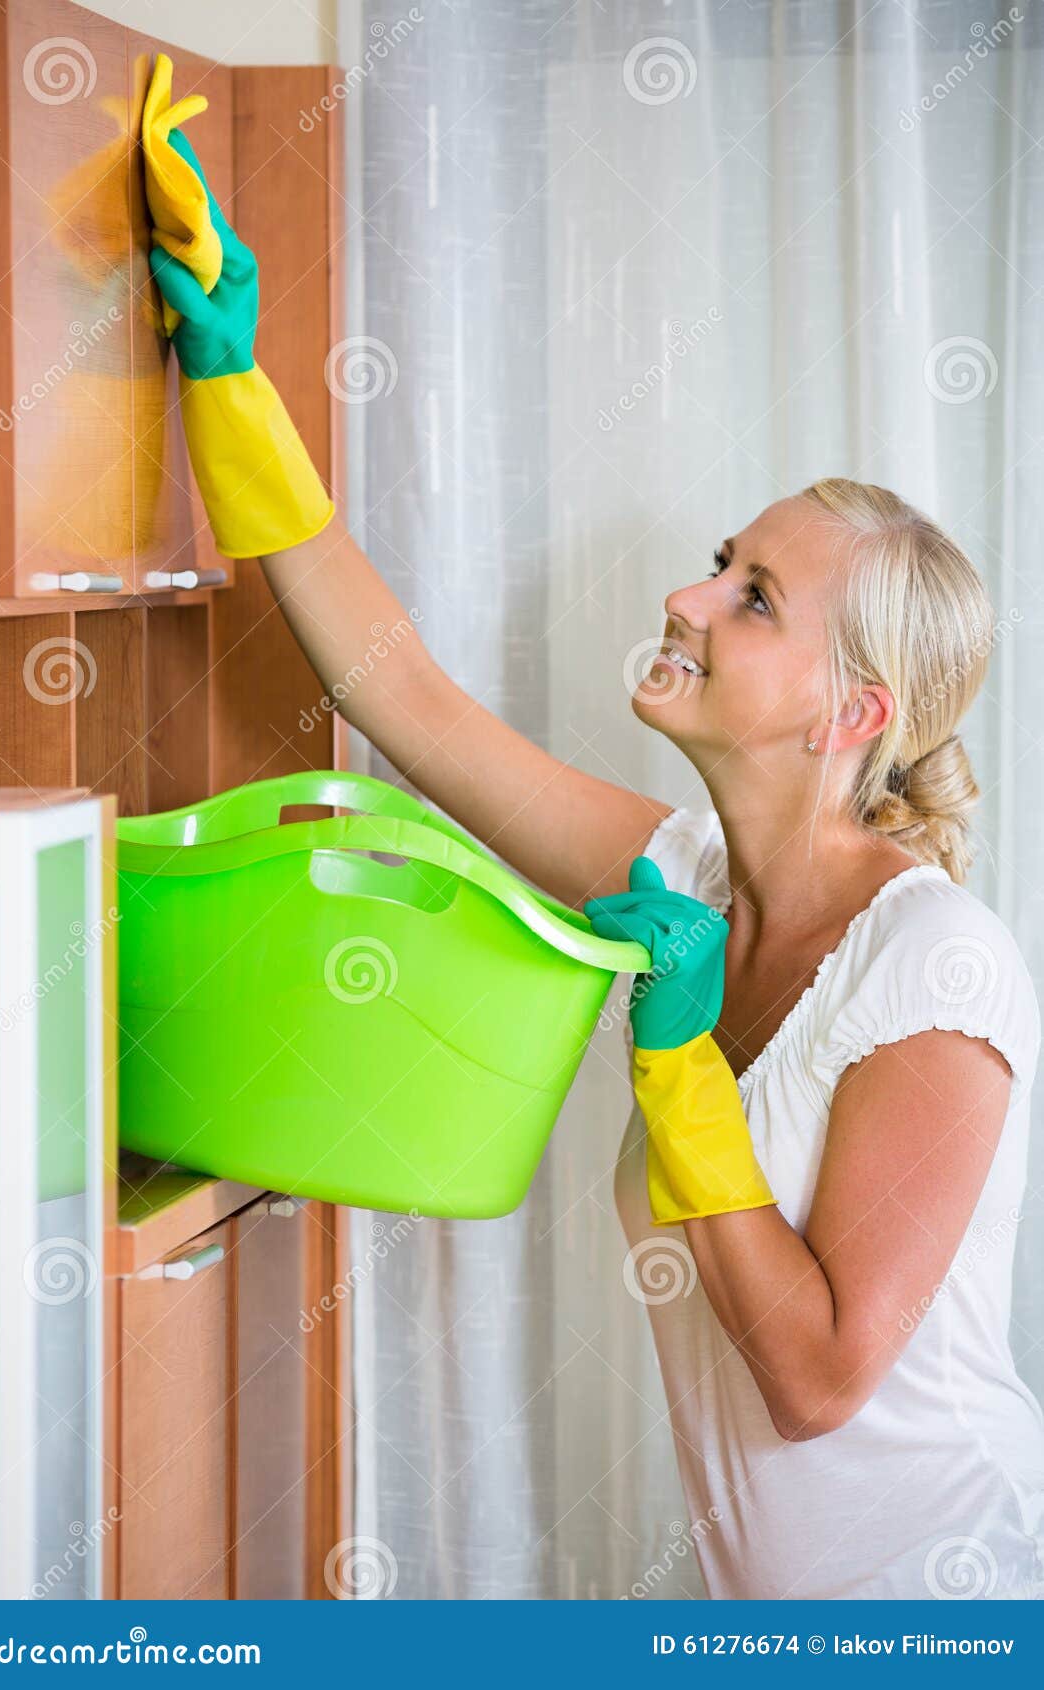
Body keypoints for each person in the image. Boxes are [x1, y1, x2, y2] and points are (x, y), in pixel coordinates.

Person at [143, 75, 1044, 1602]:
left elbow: (820, 1378)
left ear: (850, 711)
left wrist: (683, 1065)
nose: (688, 599)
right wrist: (236, 391)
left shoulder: (934, 969)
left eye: (754, 596)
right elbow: (407, 702)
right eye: (720, 564)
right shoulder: (686, 869)